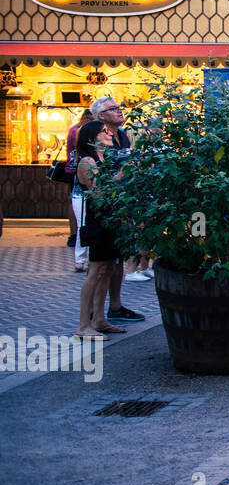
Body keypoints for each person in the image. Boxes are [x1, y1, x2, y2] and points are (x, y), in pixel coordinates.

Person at [74, 121, 129, 338]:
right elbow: (99, 194)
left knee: (107, 268)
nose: (108, 134)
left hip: (111, 218)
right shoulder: (88, 161)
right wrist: (123, 173)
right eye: (103, 131)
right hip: (98, 220)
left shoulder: (105, 158)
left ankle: (99, 319)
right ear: (92, 137)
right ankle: (83, 326)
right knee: (95, 271)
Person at [67, 108, 93, 269]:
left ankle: (83, 259)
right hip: (81, 191)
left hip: (82, 190)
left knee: (85, 223)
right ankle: (80, 259)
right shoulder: (82, 155)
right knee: (84, 223)